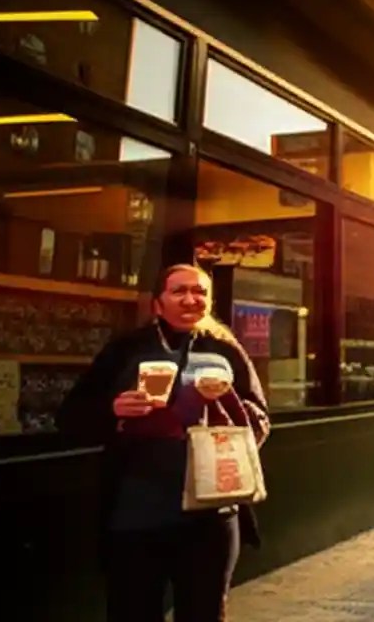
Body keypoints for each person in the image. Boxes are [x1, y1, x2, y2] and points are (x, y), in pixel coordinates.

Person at [57, 263, 270, 622]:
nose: (191, 299)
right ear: (158, 303)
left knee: (204, 613)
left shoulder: (227, 351)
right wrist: (113, 409)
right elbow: (71, 417)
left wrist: (232, 412)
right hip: (136, 513)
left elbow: (261, 419)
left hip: (212, 515)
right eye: (179, 291)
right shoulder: (126, 349)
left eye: (200, 292)